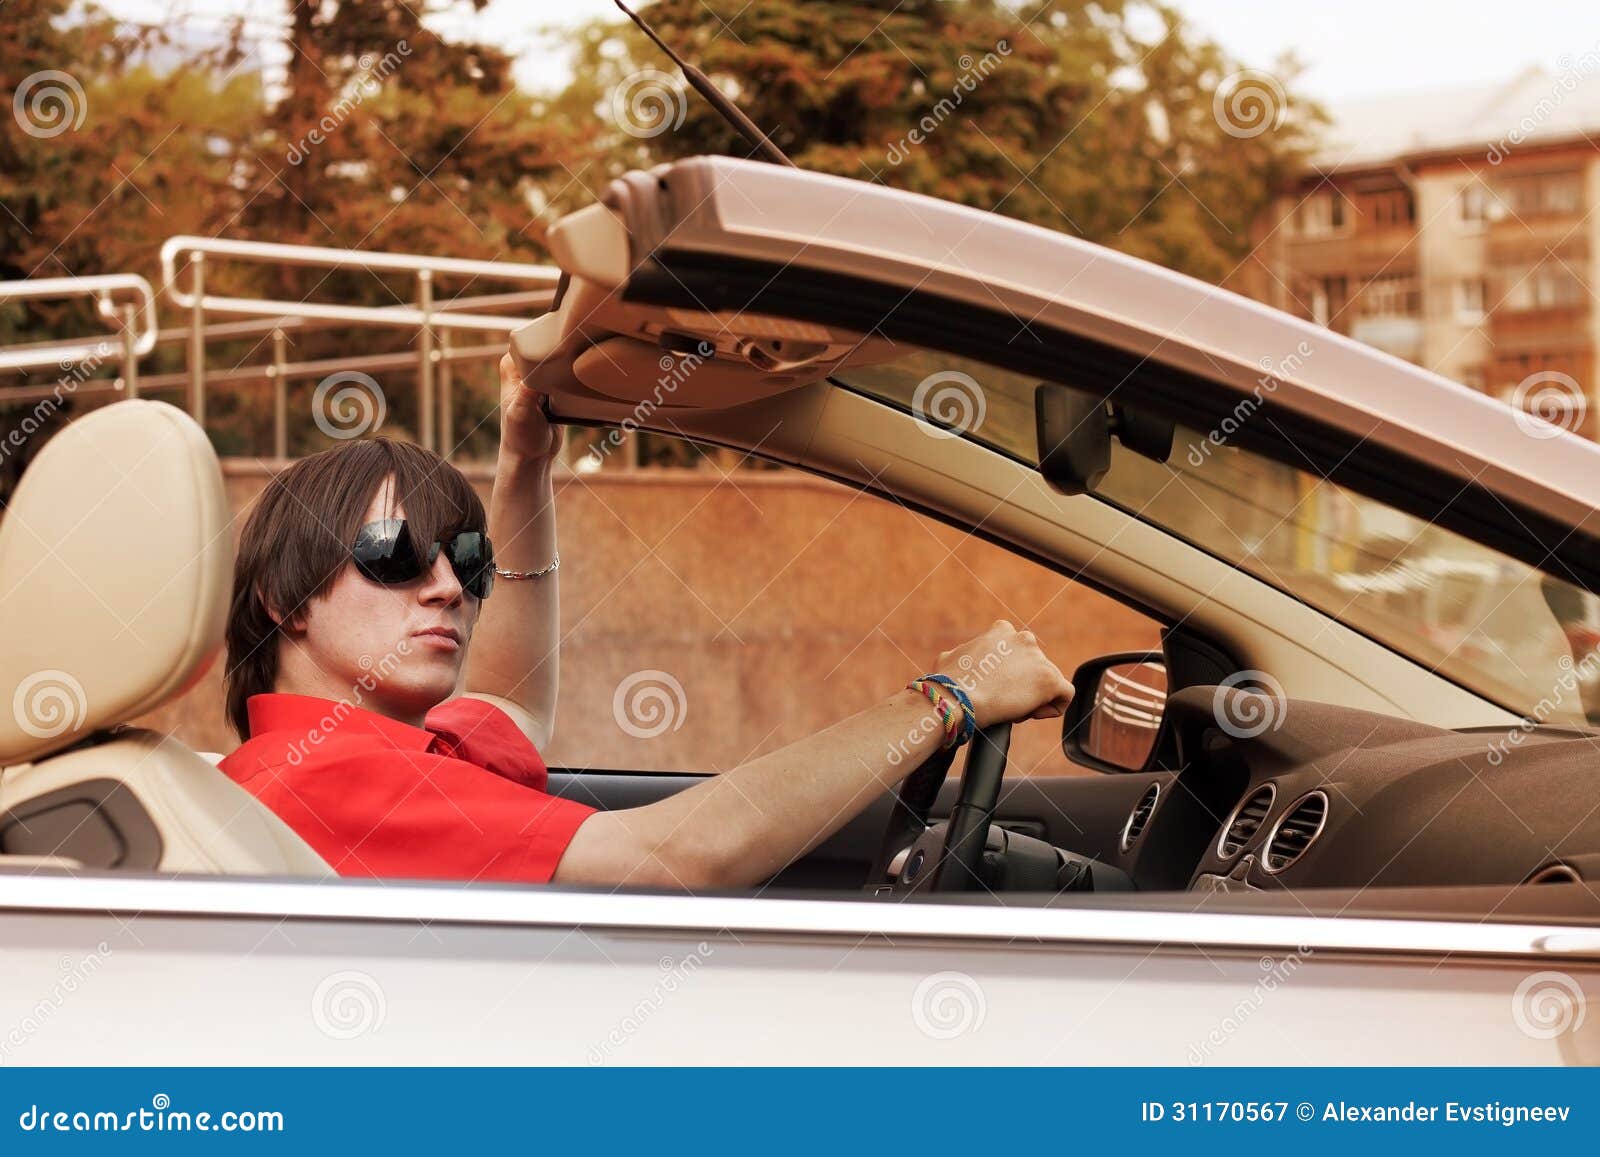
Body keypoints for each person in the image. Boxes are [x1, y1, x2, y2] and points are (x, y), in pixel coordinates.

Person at [218, 355, 1075, 889]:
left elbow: (511, 701)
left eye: (465, 558)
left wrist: (526, 461)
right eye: (395, 553)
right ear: (283, 599)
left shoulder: (368, 755)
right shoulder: (328, 777)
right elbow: (685, 855)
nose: (448, 586)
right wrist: (949, 698)